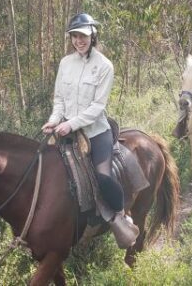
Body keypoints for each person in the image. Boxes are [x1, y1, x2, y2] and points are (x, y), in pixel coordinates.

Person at [41, 13, 139, 249]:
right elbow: (59, 100)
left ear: (93, 35)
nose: (78, 41)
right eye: (75, 36)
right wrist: (53, 121)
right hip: (65, 131)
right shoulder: (65, 63)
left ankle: (120, 215)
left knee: (103, 178)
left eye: (83, 36)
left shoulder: (104, 66)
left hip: (95, 132)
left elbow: (97, 107)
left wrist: (70, 124)